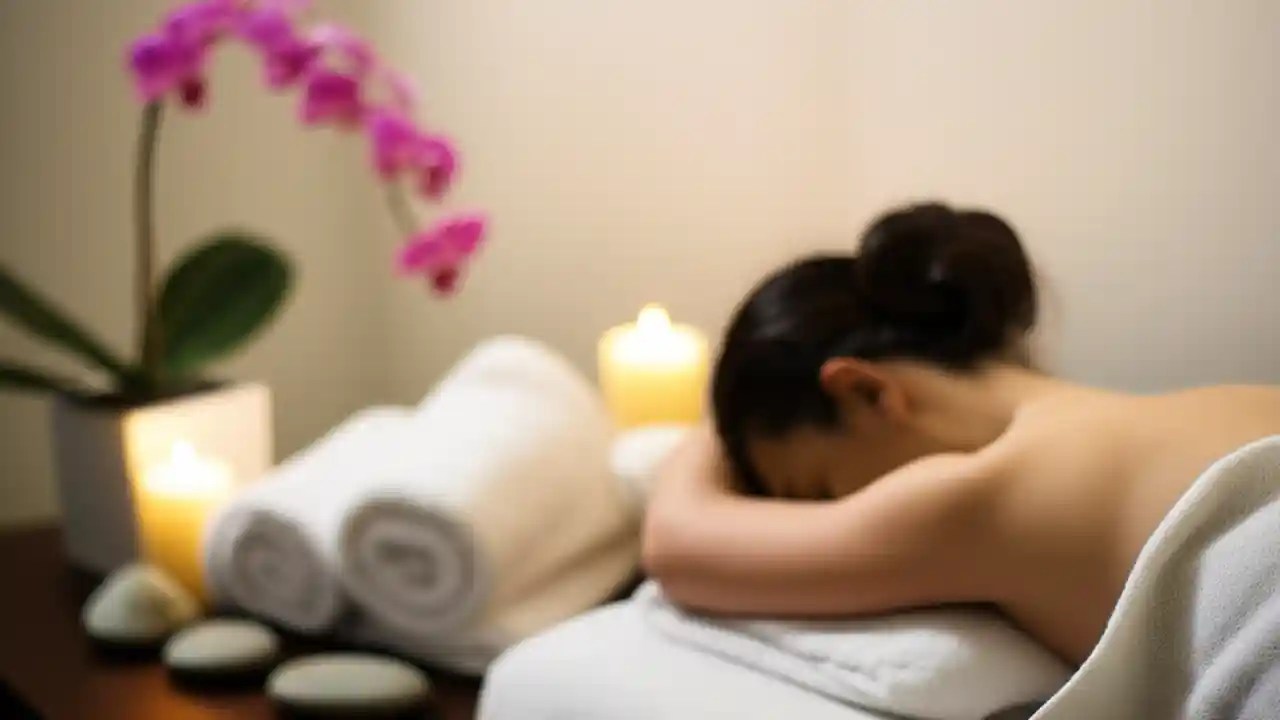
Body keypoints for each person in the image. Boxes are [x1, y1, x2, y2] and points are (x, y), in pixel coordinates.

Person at [642, 202, 1280, 664]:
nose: (837, 513)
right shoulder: (1221, 405)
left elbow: (677, 546)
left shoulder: (986, 495)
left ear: (865, 391)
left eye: (819, 490)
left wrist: (723, 410)